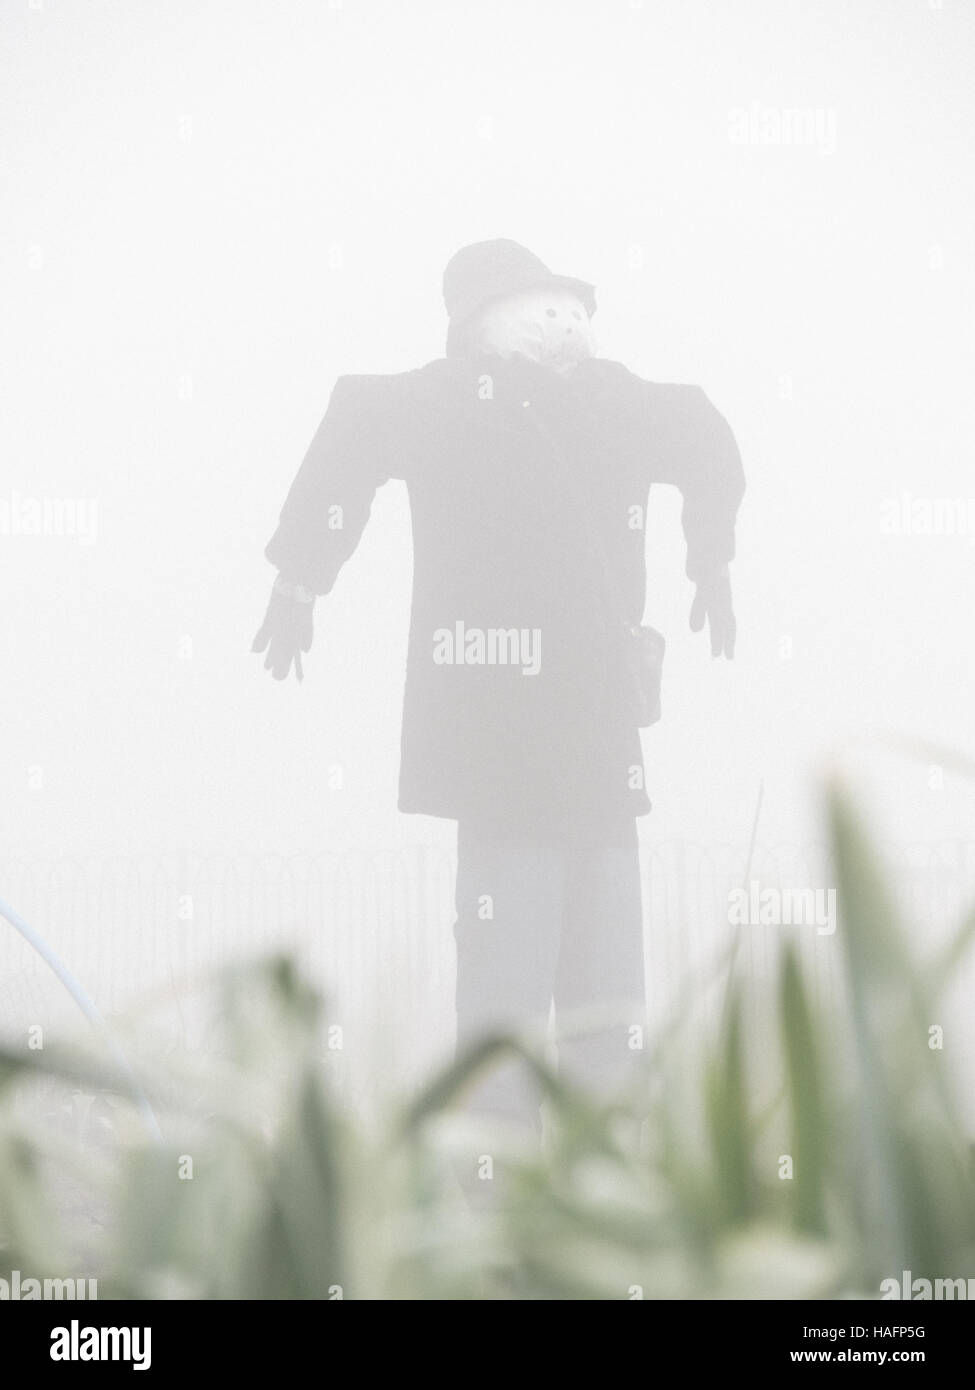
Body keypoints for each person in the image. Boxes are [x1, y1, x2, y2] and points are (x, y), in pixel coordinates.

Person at [253, 238, 745, 1141]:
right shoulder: (433, 403)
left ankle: (605, 1178)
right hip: (492, 735)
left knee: (607, 985)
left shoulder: (617, 401)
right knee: (505, 977)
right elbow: (351, 433)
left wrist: (709, 554)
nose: (565, 317)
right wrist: (299, 576)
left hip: (598, 730)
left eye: (573, 306)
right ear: (475, 325)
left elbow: (707, 435)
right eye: (537, 303)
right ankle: (494, 1183)